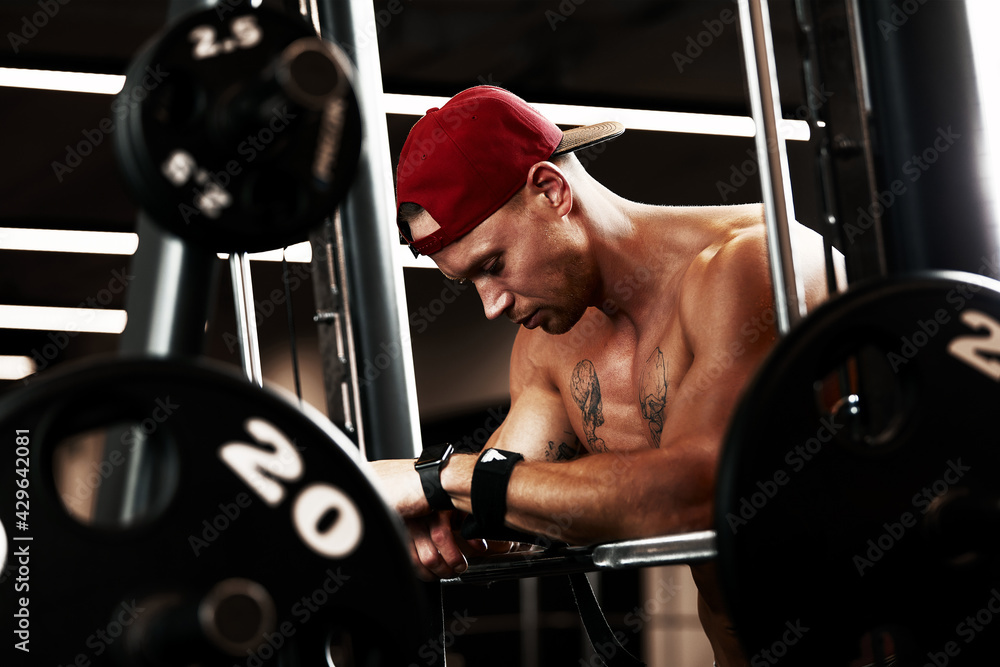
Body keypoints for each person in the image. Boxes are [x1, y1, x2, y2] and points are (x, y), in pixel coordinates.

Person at [371, 85, 840, 667]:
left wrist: (445, 478)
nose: (490, 305)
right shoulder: (551, 345)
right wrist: (443, 527)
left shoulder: (754, 264)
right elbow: (509, 504)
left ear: (551, 190)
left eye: (493, 265)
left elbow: (705, 492)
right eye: (471, 283)